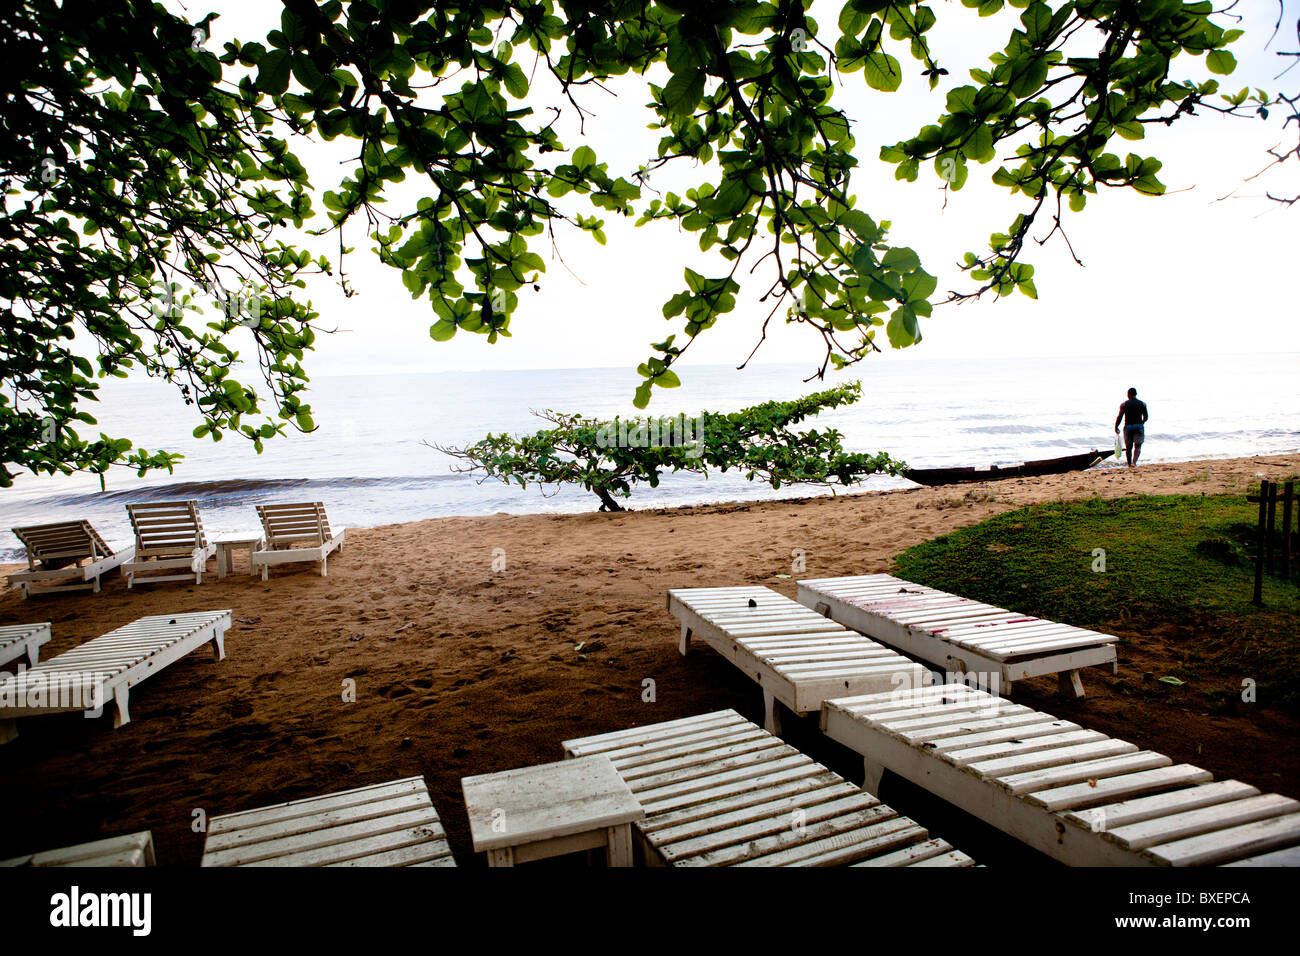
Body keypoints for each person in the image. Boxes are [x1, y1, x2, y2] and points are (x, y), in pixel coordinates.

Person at [1114, 387, 1149, 467]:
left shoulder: (1124, 404)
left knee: (1128, 447)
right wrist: (1142, 423)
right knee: (1137, 446)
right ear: (1136, 394)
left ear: (1128, 394)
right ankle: (1134, 463)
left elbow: (1119, 417)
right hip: (1138, 426)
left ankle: (1129, 464)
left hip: (1128, 426)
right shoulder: (1142, 404)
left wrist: (1116, 426)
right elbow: (1146, 417)